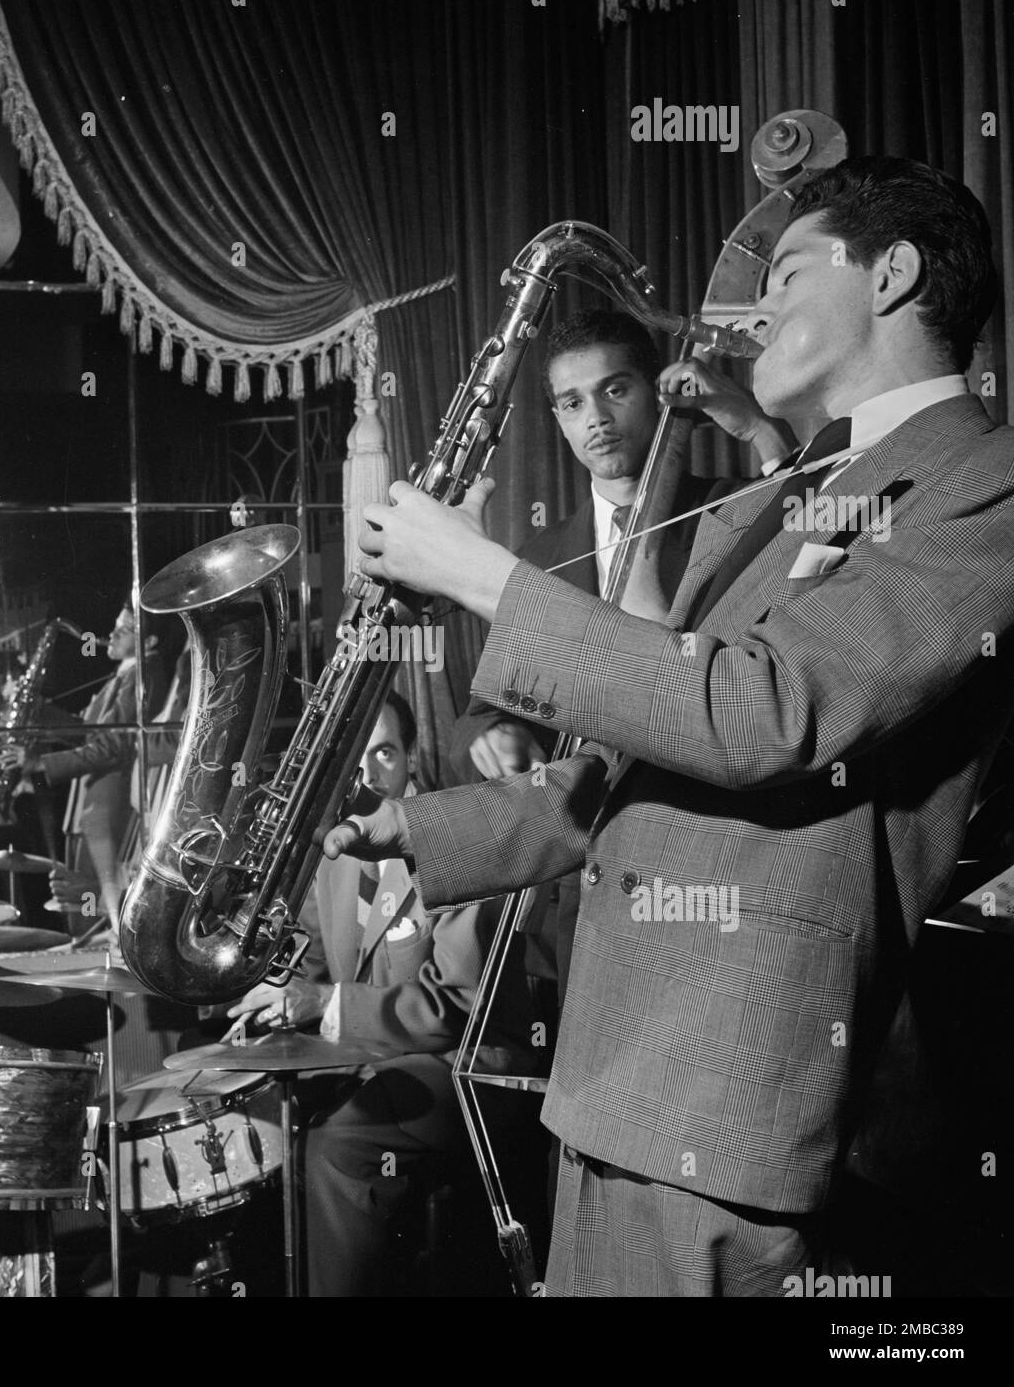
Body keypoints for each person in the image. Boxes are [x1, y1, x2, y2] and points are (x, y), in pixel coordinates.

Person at [328, 156, 1011, 1295]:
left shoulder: (981, 486)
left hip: (731, 1091)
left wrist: (485, 575)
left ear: (890, 274)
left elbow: (763, 711)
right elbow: (639, 756)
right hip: (624, 1074)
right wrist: (420, 828)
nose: (758, 308)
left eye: (789, 270)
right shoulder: (786, 492)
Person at [450, 307, 793, 1009]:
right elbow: (480, 710)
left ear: (659, 390)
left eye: (616, 390)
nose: (595, 419)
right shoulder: (540, 561)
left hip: (707, 878)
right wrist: (493, 735)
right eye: (572, 403)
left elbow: (817, 532)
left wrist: (758, 428)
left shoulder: (731, 514)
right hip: (578, 899)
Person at [227, 690, 533, 1297]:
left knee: (337, 1146)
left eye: (385, 754)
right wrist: (272, 996)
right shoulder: (335, 854)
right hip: (374, 1056)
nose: (367, 776)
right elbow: (309, 957)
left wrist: (322, 1006)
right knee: (248, 1119)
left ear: (412, 759)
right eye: (354, 759)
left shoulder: (454, 843)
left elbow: (457, 1006)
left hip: (465, 1066)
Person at [0, 601, 165, 933]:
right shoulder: (122, 676)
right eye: (116, 626)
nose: (112, 634)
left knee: (102, 911)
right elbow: (87, 729)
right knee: (84, 908)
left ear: (149, 643)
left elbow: (112, 746)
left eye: (124, 629)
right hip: (91, 806)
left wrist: (39, 762)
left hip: (107, 806)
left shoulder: (140, 679)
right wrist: (42, 711)